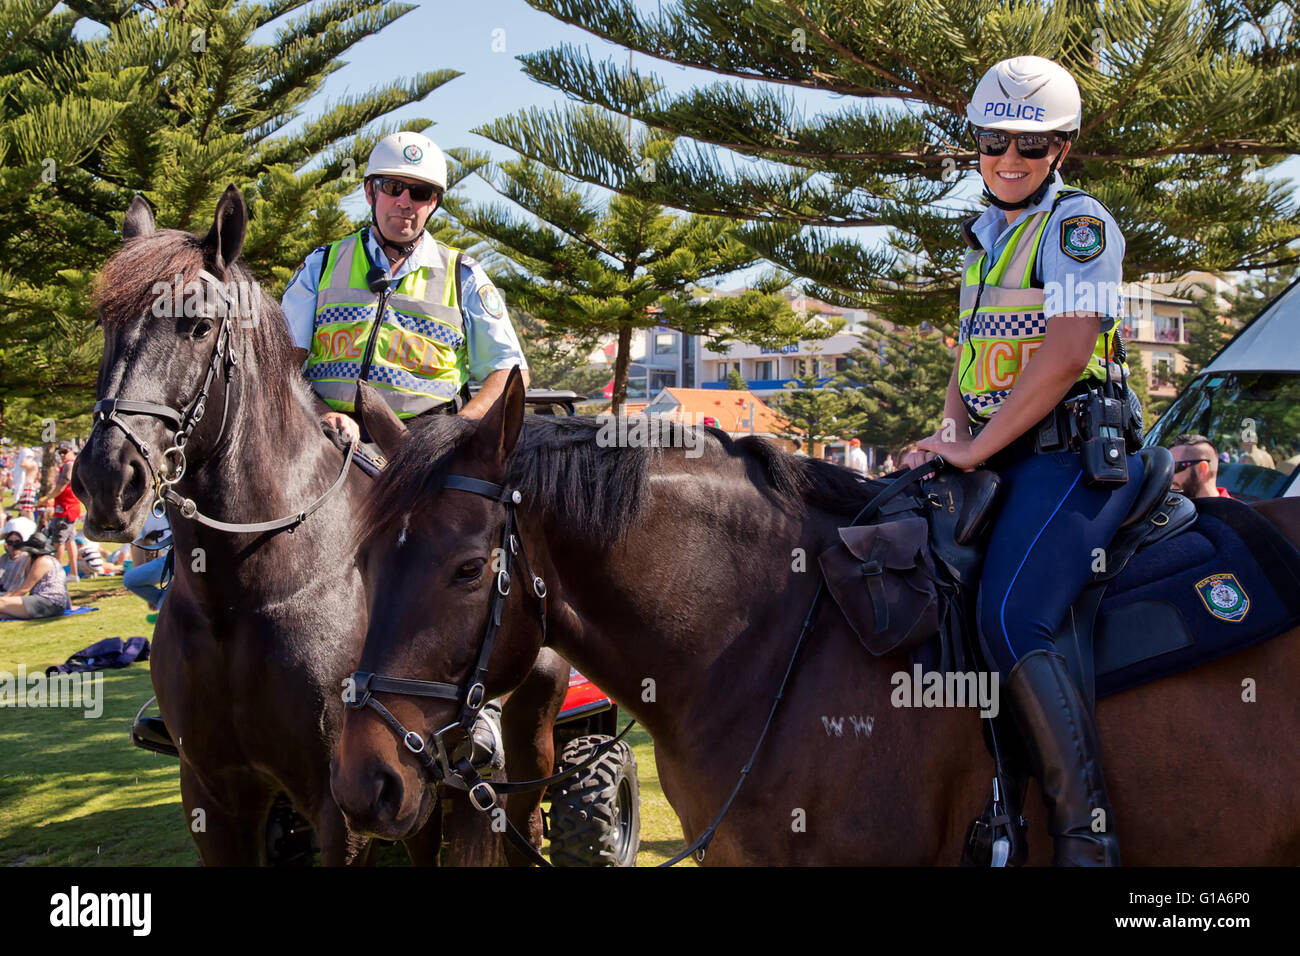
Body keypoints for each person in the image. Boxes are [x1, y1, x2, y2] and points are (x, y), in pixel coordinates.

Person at [916, 56, 1145, 866]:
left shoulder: (1077, 226)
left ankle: (1087, 839)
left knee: (1013, 617)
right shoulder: (987, 235)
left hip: (1068, 457)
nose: (1009, 160)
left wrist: (976, 446)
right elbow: (970, 357)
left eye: (1032, 145)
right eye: (993, 142)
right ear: (975, 143)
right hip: (995, 456)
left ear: (1063, 150)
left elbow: (1065, 352)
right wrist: (947, 435)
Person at [280, 131, 530, 447]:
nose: (405, 202)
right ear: (371, 192)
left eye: (420, 192)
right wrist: (321, 412)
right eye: (393, 187)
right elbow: (281, 364)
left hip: (426, 451)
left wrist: (457, 429)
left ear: (433, 202)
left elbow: (509, 373)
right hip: (328, 440)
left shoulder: (464, 276)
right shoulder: (321, 266)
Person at [37, 442, 82, 583]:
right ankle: (73, 574)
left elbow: (61, 486)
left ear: (72, 451)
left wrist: (46, 498)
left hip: (65, 508)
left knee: (59, 541)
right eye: (60, 452)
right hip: (70, 507)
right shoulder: (73, 464)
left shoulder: (69, 464)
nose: (62, 455)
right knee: (69, 541)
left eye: (64, 451)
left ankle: (56, 575)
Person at [0, 532, 70, 620]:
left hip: (47, 603)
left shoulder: (42, 561)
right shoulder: (47, 560)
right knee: (3, 614)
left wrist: (8, 600)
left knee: (2, 603)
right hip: (53, 605)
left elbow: (25, 589)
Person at [1170, 434, 1232, 498]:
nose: (1168, 476)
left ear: (1202, 469)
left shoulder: (1235, 507)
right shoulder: (1167, 504)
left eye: (1175, 467)